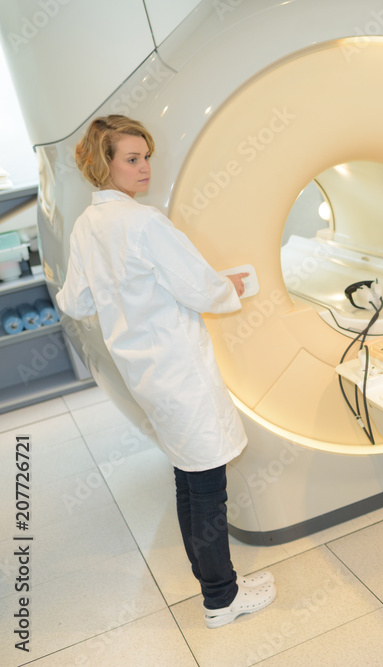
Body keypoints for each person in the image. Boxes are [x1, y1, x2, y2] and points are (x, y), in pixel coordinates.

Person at [56, 115, 276, 628]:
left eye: (146, 156)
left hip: (144, 373)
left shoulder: (88, 227)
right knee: (206, 484)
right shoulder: (144, 222)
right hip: (179, 370)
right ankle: (221, 599)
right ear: (102, 164)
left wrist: (127, 298)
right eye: (132, 159)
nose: (145, 167)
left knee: (186, 475)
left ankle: (217, 582)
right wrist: (233, 287)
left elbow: (76, 299)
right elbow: (200, 288)